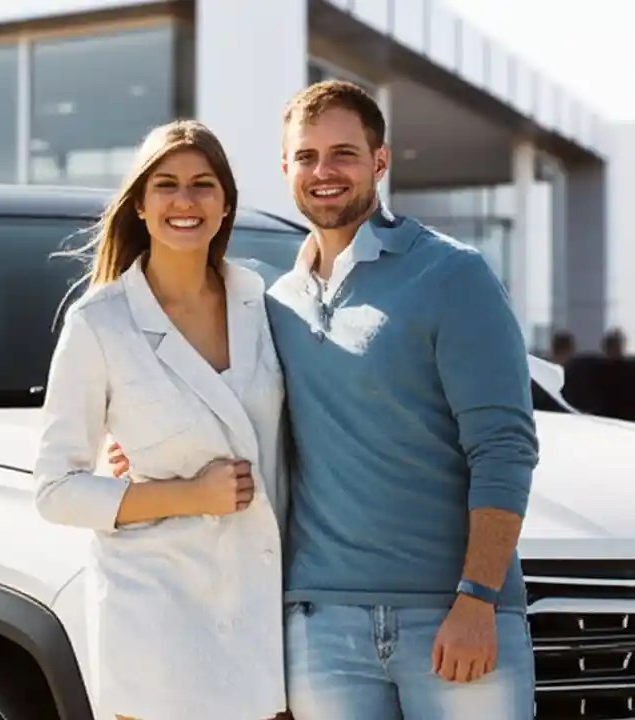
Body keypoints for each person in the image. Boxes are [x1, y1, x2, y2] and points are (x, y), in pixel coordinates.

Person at [267, 80, 540, 719]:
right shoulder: (276, 302)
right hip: (321, 626)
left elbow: (505, 445)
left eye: (343, 153)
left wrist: (478, 598)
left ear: (380, 162)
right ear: (285, 168)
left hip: (451, 617)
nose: (323, 171)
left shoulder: (451, 274)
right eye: (305, 156)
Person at [32, 119, 290, 720]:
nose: (185, 200)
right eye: (165, 185)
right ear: (140, 207)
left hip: (263, 614)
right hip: (157, 622)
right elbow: (53, 491)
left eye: (203, 184)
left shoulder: (263, 303)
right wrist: (188, 493)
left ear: (226, 204)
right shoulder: (99, 323)